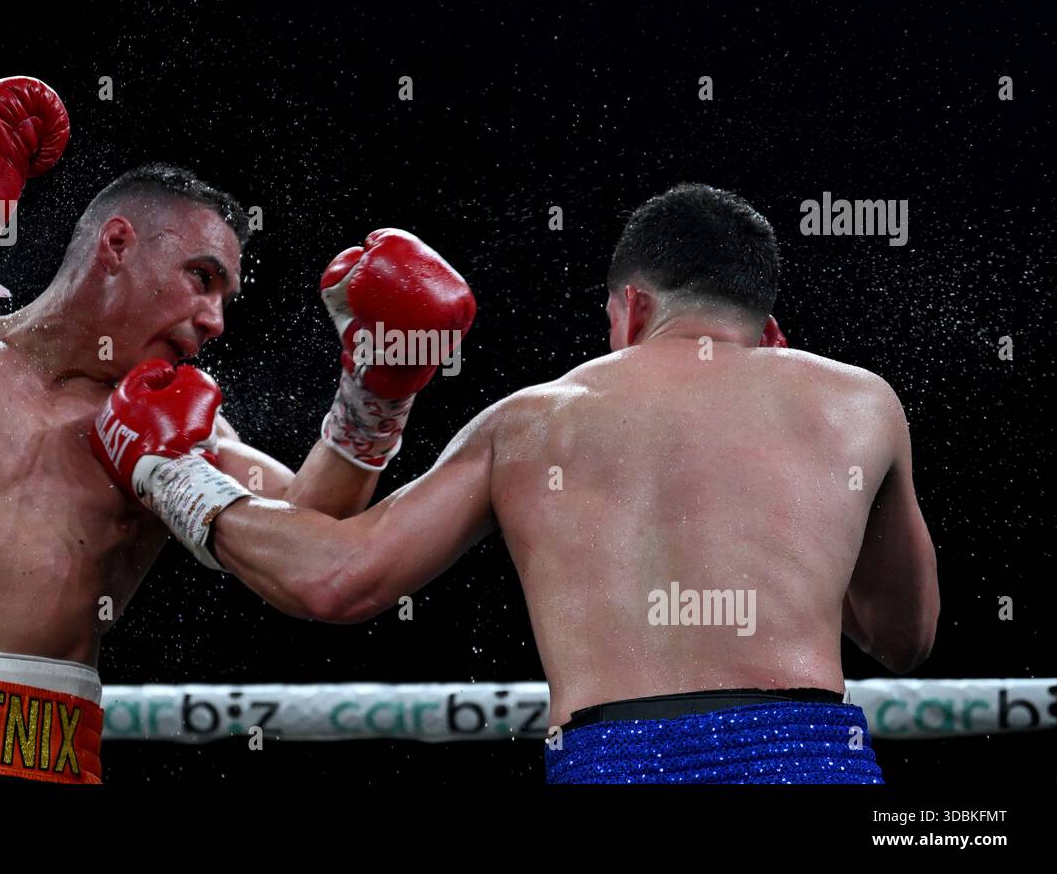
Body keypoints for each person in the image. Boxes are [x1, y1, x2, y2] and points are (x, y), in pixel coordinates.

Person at [92, 182, 938, 783]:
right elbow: (904, 637)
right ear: (773, 330)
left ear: (631, 312)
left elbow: (337, 580)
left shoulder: (536, 419)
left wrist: (170, 475)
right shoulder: (860, 402)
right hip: (809, 759)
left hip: (615, 764)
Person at [0, 76, 474, 783]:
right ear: (118, 243)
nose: (215, 321)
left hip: (47, 753)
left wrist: (372, 402)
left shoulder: (164, 431)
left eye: (226, 296)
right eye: (203, 277)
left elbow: (312, 535)